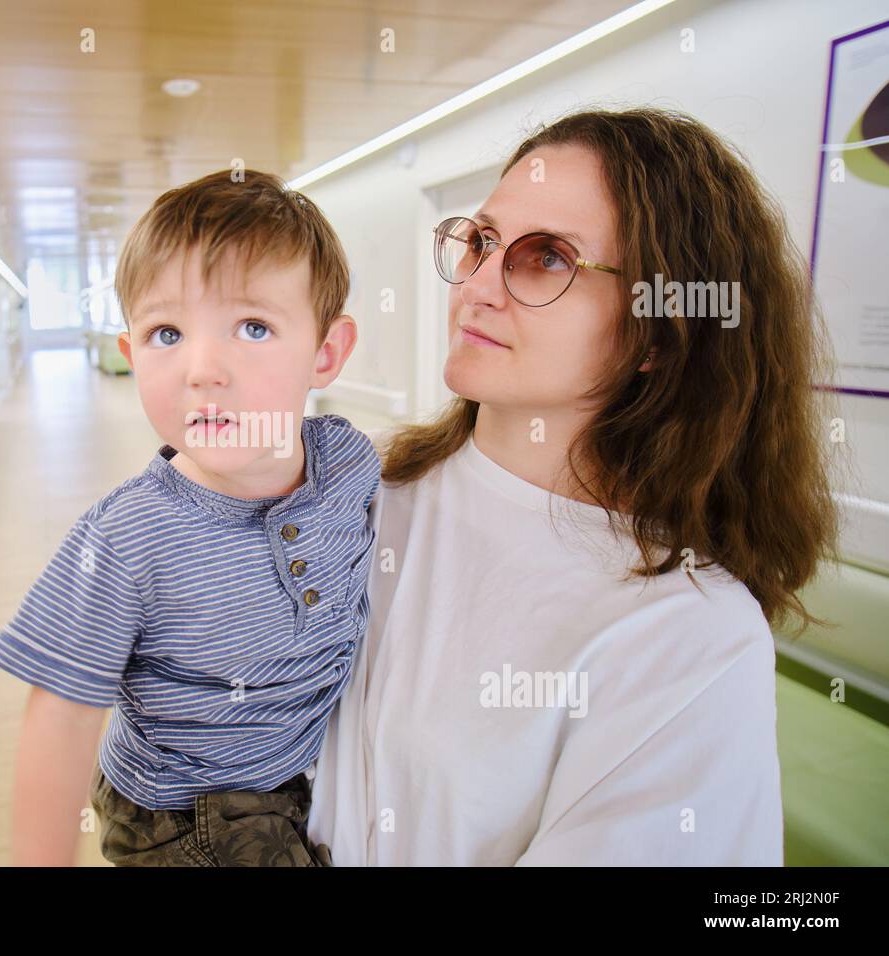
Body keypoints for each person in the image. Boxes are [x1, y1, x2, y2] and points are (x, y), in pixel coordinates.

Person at [307, 107, 840, 865]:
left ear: (658, 331)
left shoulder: (687, 633)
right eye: (482, 242)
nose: (479, 287)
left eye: (547, 259)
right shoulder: (348, 493)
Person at [0, 169, 380, 866]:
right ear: (129, 356)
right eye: (167, 332)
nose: (203, 369)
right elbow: (62, 719)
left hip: (302, 775)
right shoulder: (127, 538)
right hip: (185, 808)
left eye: (253, 327)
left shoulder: (346, 463)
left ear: (326, 352)